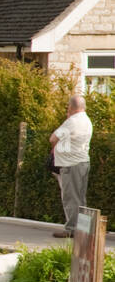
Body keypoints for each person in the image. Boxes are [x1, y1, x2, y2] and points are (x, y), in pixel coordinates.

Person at [50, 93, 92, 238]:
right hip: (82, 163)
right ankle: (84, 230)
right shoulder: (86, 120)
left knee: (70, 198)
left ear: (71, 107)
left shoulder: (72, 121)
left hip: (71, 165)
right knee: (80, 198)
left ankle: (71, 229)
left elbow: (53, 138)